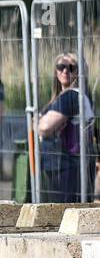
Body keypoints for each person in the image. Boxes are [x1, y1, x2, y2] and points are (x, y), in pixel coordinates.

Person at [37, 52, 95, 203]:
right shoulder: (65, 97)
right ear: (55, 71)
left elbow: (44, 127)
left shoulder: (71, 97)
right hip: (60, 165)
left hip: (66, 167)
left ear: (79, 72)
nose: (65, 71)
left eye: (71, 67)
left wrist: (39, 121)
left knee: (63, 214)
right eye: (61, 66)